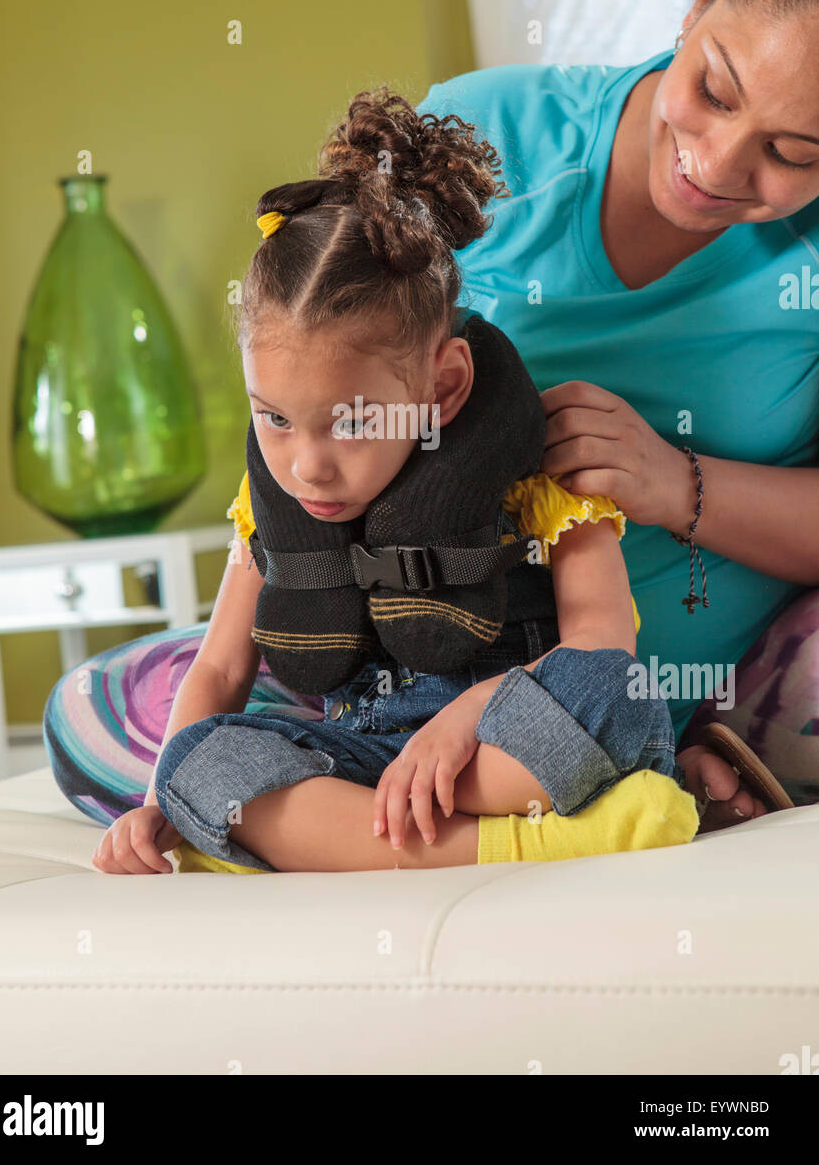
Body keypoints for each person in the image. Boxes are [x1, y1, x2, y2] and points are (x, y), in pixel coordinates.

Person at [88, 87, 700, 874]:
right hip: (365, 760)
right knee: (197, 765)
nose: (306, 464)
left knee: (617, 693)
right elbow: (219, 667)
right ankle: (527, 844)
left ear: (443, 388)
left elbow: (602, 640)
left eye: (347, 422)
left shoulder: (536, 475)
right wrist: (154, 807)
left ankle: (337, 844)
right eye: (274, 419)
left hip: (498, 751)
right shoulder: (269, 506)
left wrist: (467, 720)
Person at [412, 0, 819, 829]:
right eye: (715, 91)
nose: (715, 165)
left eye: (792, 154)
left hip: (668, 698)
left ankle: (648, 767)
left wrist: (677, 483)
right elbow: (309, 372)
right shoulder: (479, 132)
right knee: (106, 710)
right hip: (414, 659)